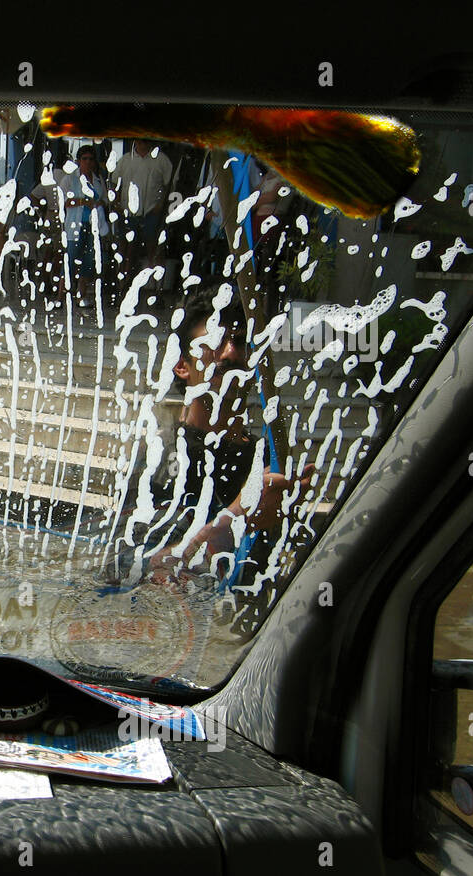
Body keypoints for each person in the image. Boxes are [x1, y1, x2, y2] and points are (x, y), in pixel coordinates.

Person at [142, 284, 316, 593]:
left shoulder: (266, 461)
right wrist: (235, 519)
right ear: (182, 366)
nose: (231, 352)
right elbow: (132, 571)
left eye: (238, 342)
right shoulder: (164, 455)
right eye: (214, 341)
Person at [113, 139, 174, 281]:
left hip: (151, 209)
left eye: (145, 140)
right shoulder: (126, 159)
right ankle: (123, 281)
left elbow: (169, 184)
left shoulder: (161, 160)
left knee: (153, 246)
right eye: (140, 141)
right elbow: (115, 182)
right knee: (125, 246)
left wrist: (161, 204)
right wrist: (116, 203)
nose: (142, 143)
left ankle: (155, 284)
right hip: (128, 210)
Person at [58, 145, 109, 307]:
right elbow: (63, 201)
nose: (87, 162)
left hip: (93, 225)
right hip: (75, 225)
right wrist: (82, 201)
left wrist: (97, 203)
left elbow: (104, 200)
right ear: (79, 161)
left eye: (90, 159)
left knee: (88, 261)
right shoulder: (69, 179)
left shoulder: (98, 180)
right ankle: (61, 295)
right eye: (84, 159)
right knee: (70, 260)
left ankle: (81, 295)